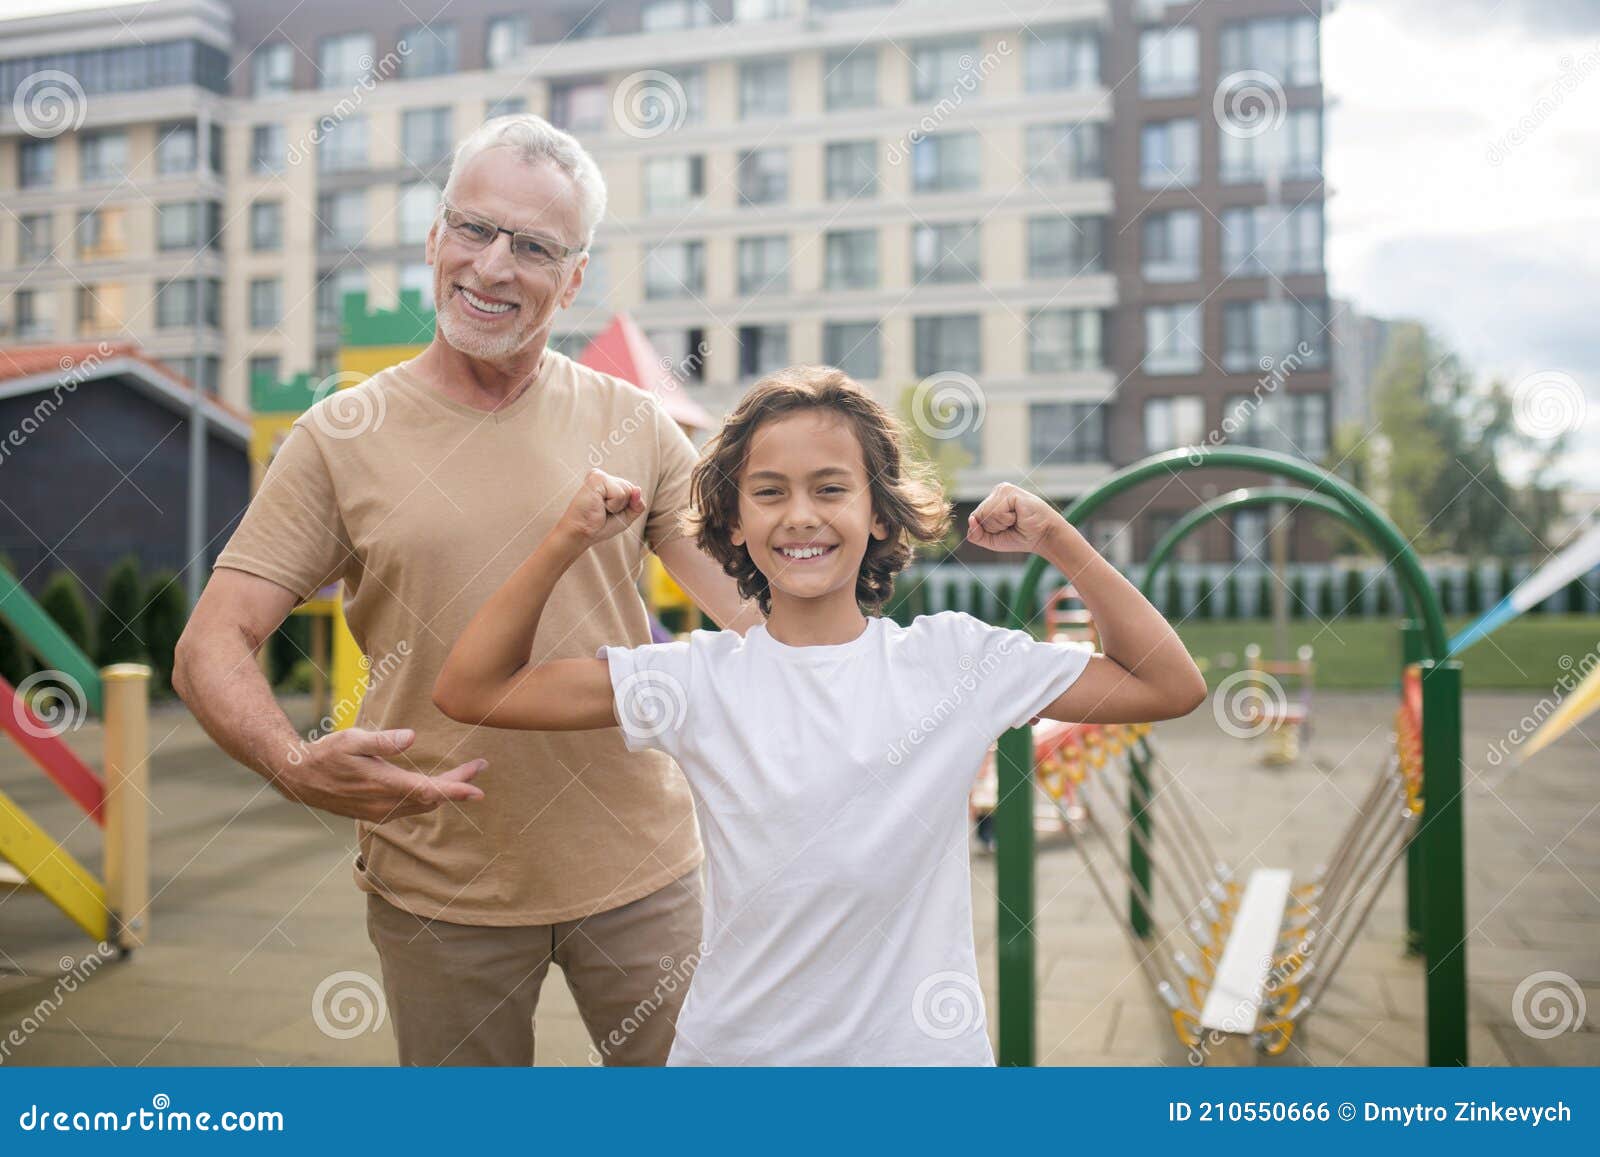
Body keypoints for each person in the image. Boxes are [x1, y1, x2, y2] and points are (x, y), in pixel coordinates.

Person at [174, 114, 761, 1067]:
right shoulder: (338, 435)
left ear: (572, 279)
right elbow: (210, 644)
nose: (492, 267)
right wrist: (289, 758)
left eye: (532, 246)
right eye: (474, 229)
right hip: (439, 882)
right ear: (435, 236)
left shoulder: (637, 422)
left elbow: (751, 610)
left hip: (645, 868)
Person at [431, 366, 1207, 1065]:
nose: (800, 514)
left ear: (878, 513)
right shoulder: (697, 680)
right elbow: (471, 689)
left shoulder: (955, 662)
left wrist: (1058, 537)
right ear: (734, 523)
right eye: (769, 492)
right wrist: (565, 539)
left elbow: (1170, 684)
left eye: (831, 488)